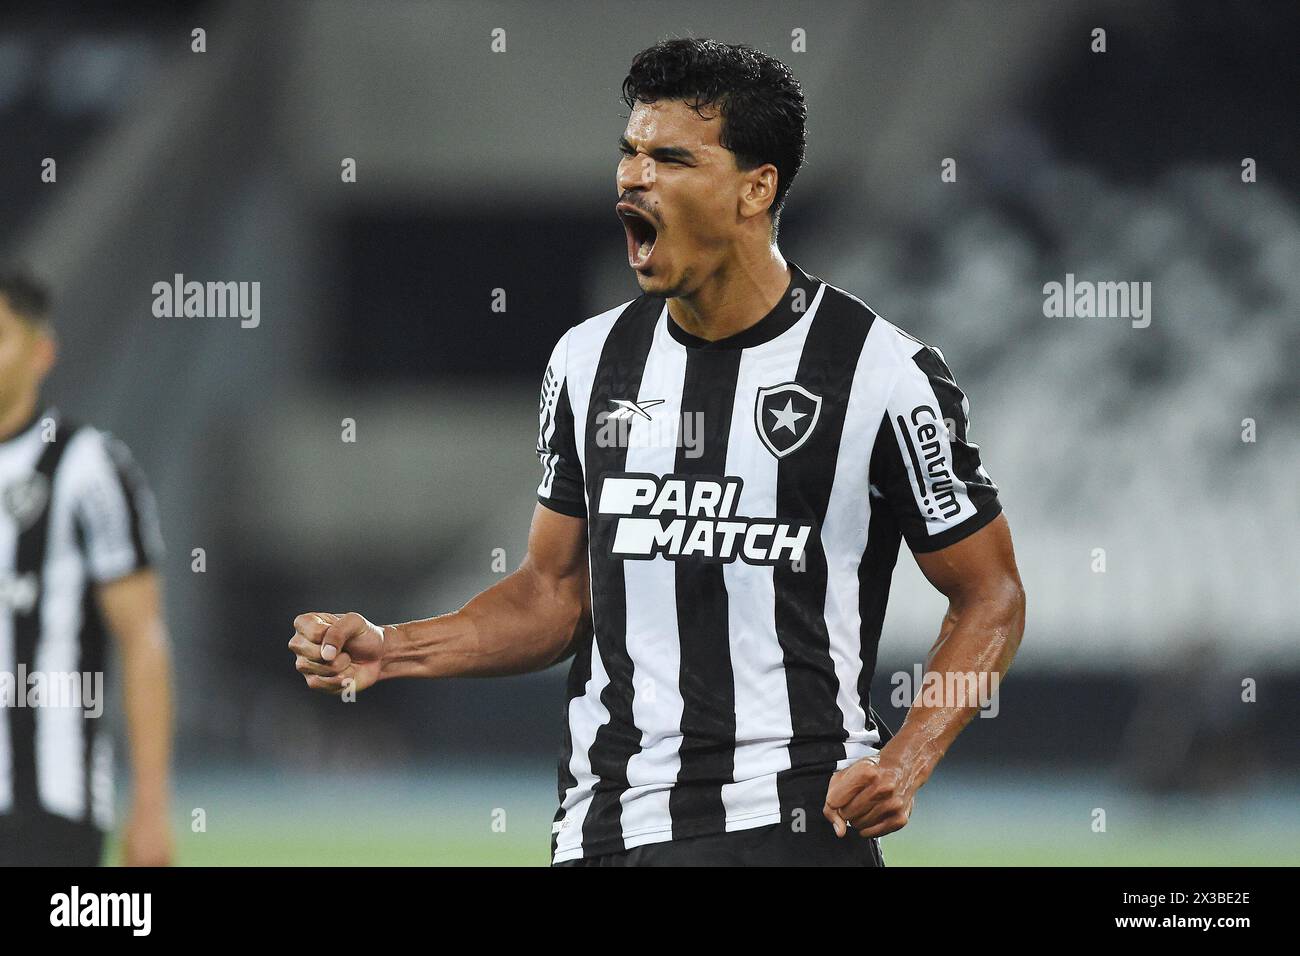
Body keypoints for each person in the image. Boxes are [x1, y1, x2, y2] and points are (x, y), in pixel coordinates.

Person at [289, 38, 1025, 867]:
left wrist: (907, 759)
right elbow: (553, 595)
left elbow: (989, 594)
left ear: (758, 188)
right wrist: (394, 648)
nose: (634, 178)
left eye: (671, 158)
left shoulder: (880, 371)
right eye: (629, 153)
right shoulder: (587, 361)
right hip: (603, 826)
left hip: (789, 822)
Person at [0, 269, 173, 866]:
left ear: (40, 352)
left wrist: (149, 806)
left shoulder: (86, 466)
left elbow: (142, 638)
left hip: (51, 802)